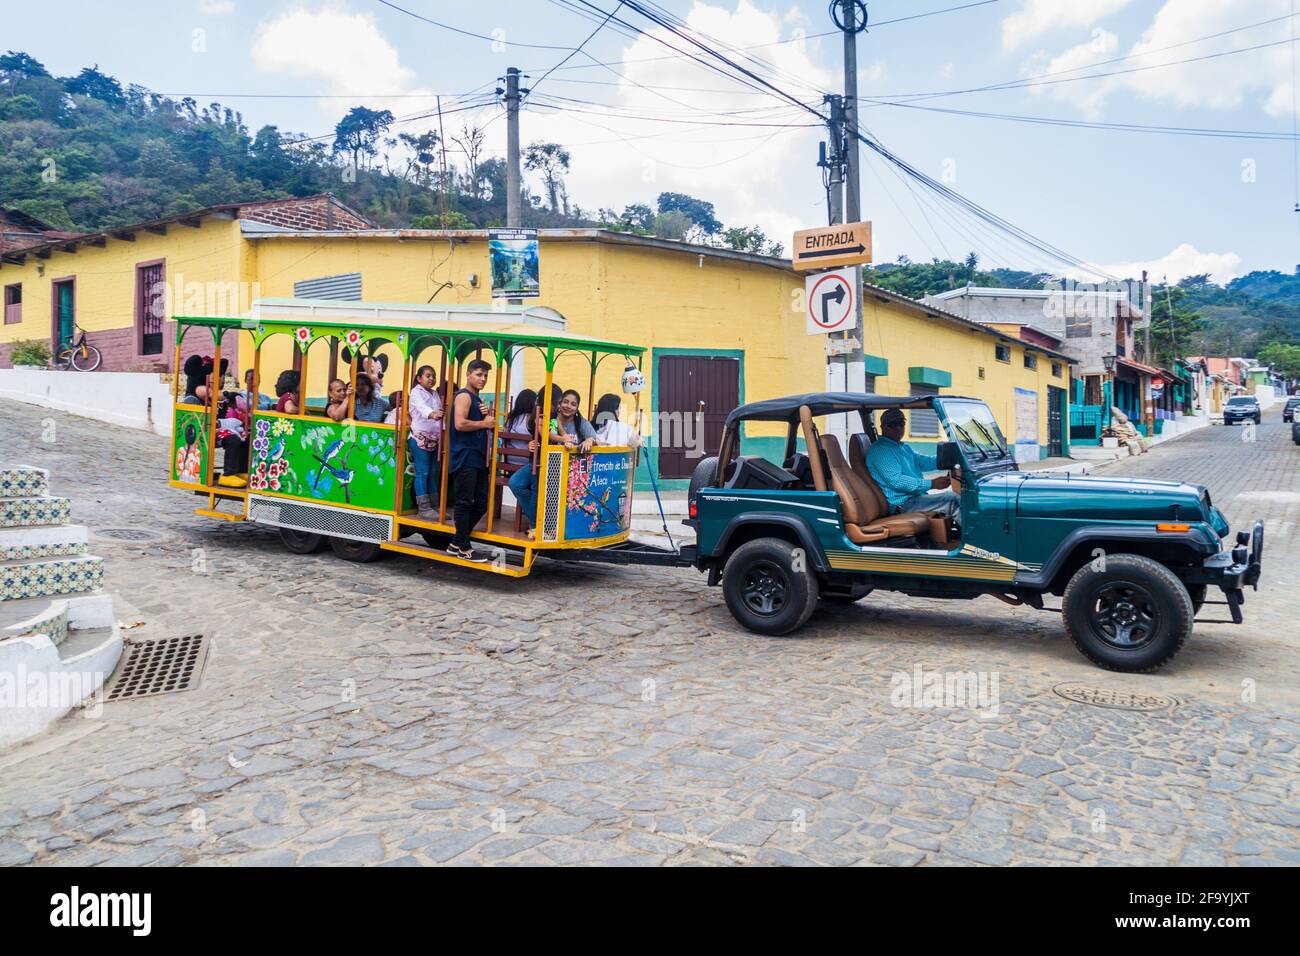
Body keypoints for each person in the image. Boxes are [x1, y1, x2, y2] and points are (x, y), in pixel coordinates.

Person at [865, 408, 960, 523]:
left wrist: (949, 459)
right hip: (902, 503)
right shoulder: (881, 450)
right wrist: (931, 484)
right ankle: (971, 540)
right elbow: (897, 481)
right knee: (953, 500)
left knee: (959, 497)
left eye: (901, 423)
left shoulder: (902, 447)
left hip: (916, 497)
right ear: (883, 427)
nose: (898, 428)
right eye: (893, 424)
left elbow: (923, 462)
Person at [448, 358, 496, 561]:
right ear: (468, 374)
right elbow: (459, 424)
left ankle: (456, 542)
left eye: (485, 375)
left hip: (478, 457)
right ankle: (464, 548)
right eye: (478, 374)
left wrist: (486, 419)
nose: (483, 378)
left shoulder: (477, 399)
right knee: (465, 502)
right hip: (465, 456)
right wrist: (484, 424)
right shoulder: (464, 397)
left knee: (482, 503)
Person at [407, 365, 443, 520]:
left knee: (433, 472)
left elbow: (441, 413)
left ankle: (434, 507)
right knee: (423, 472)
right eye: (428, 376)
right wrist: (433, 414)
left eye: (433, 376)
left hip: (435, 437)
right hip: (420, 437)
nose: (431, 379)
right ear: (419, 378)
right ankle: (424, 508)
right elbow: (422, 409)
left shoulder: (435, 394)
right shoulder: (415, 393)